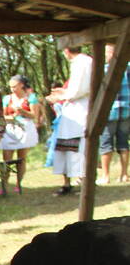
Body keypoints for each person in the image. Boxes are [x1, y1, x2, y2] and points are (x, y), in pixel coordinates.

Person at [47, 46, 92, 196]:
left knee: (79, 149)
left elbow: (79, 90)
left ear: (66, 50)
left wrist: (61, 96)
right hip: (70, 115)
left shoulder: (83, 62)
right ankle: (66, 183)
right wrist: (63, 93)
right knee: (64, 148)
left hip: (79, 113)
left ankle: (84, 184)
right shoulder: (79, 63)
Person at [0, 75, 39, 196]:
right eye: (10, 87)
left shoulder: (31, 98)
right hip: (10, 128)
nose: (12, 89)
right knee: (6, 158)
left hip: (25, 128)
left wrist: (22, 111)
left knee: (21, 158)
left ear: (21, 85)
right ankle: (4, 185)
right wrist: (11, 117)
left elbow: (34, 115)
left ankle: (18, 184)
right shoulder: (7, 99)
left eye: (14, 86)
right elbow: (2, 115)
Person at [98, 43, 129, 185]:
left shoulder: (103, 70)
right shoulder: (127, 67)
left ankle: (105, 176)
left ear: (112, 53)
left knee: (105, 144)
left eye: (106, 52)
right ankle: (124, 174)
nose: (104, 56)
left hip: (109, 111)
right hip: (126, 110)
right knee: (123, 143)